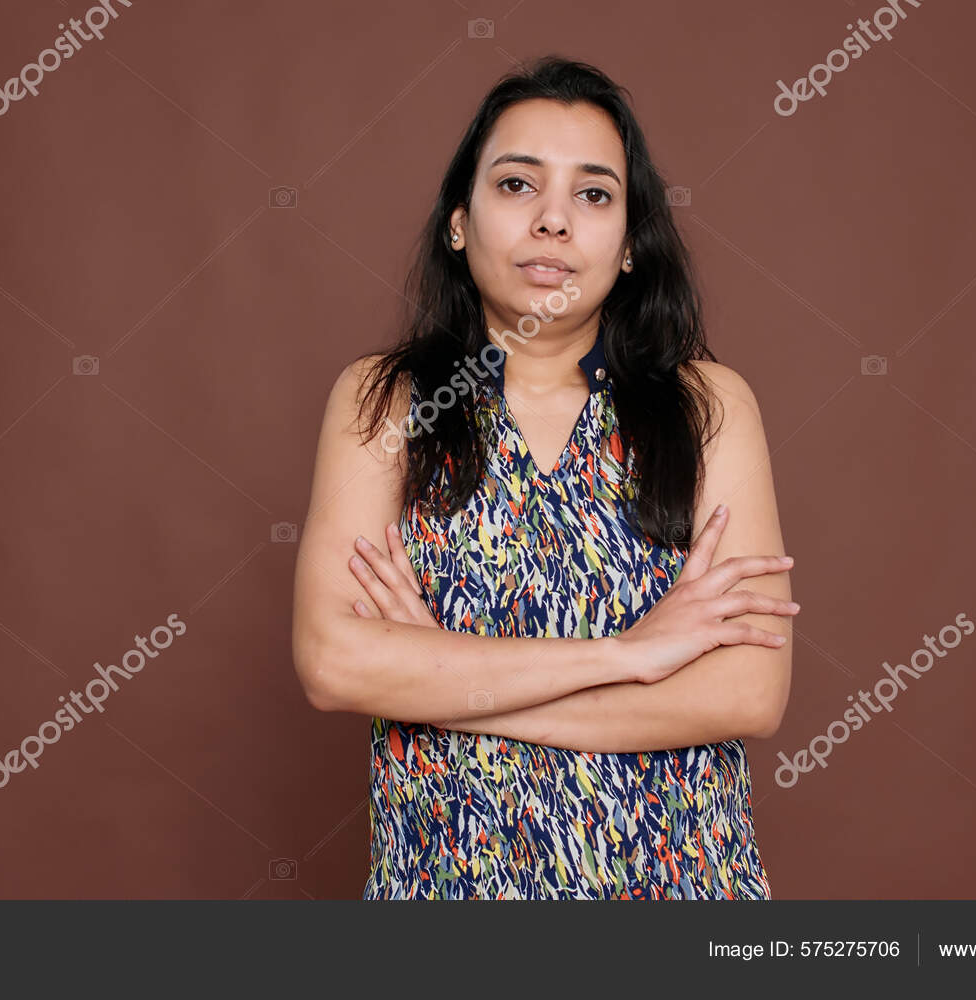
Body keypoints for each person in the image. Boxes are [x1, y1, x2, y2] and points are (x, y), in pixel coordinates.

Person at [290, 56, 798, 900]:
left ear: (631, 243)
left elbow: (748, 692)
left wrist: (444, 681)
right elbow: (335, 663)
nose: (554, 221)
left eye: (594, 195)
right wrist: (630, 655)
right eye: (518, 185)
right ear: (459, 220)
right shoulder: (384, 402)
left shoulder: (710, 407)